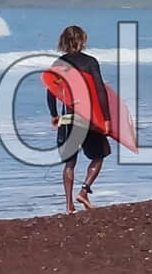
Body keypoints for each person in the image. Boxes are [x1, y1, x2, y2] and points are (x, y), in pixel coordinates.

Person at [43, 24, 115, 213]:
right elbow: (100, 90)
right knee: (100, 155)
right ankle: (84, 191)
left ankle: (69, 206)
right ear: (82, 40)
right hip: (88, 118)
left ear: (63, 42)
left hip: (67, 118)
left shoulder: (59, 64)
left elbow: (51, 92)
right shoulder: (90, 62)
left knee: (69, 163)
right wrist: (106, 119)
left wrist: (54, 114)